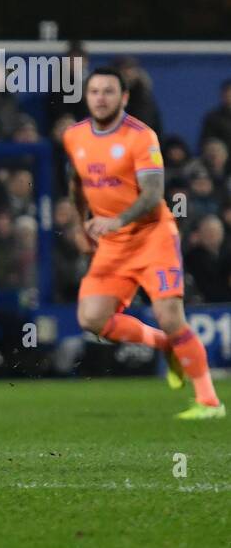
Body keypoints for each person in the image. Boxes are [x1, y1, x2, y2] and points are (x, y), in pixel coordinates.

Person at [65, 68, 223, 419]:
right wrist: (81, 225)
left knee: (170, 315)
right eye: (94, 91)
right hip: (112, 244)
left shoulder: (141, 136)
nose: (101, 97)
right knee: (92, 318)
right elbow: (76, 184)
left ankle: (209, 401)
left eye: (108, 91)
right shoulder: (74, 137)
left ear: (123, 98)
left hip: (153, 237)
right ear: (86, 97)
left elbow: (153, 194)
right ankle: (165, 345)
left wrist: (116, 220)